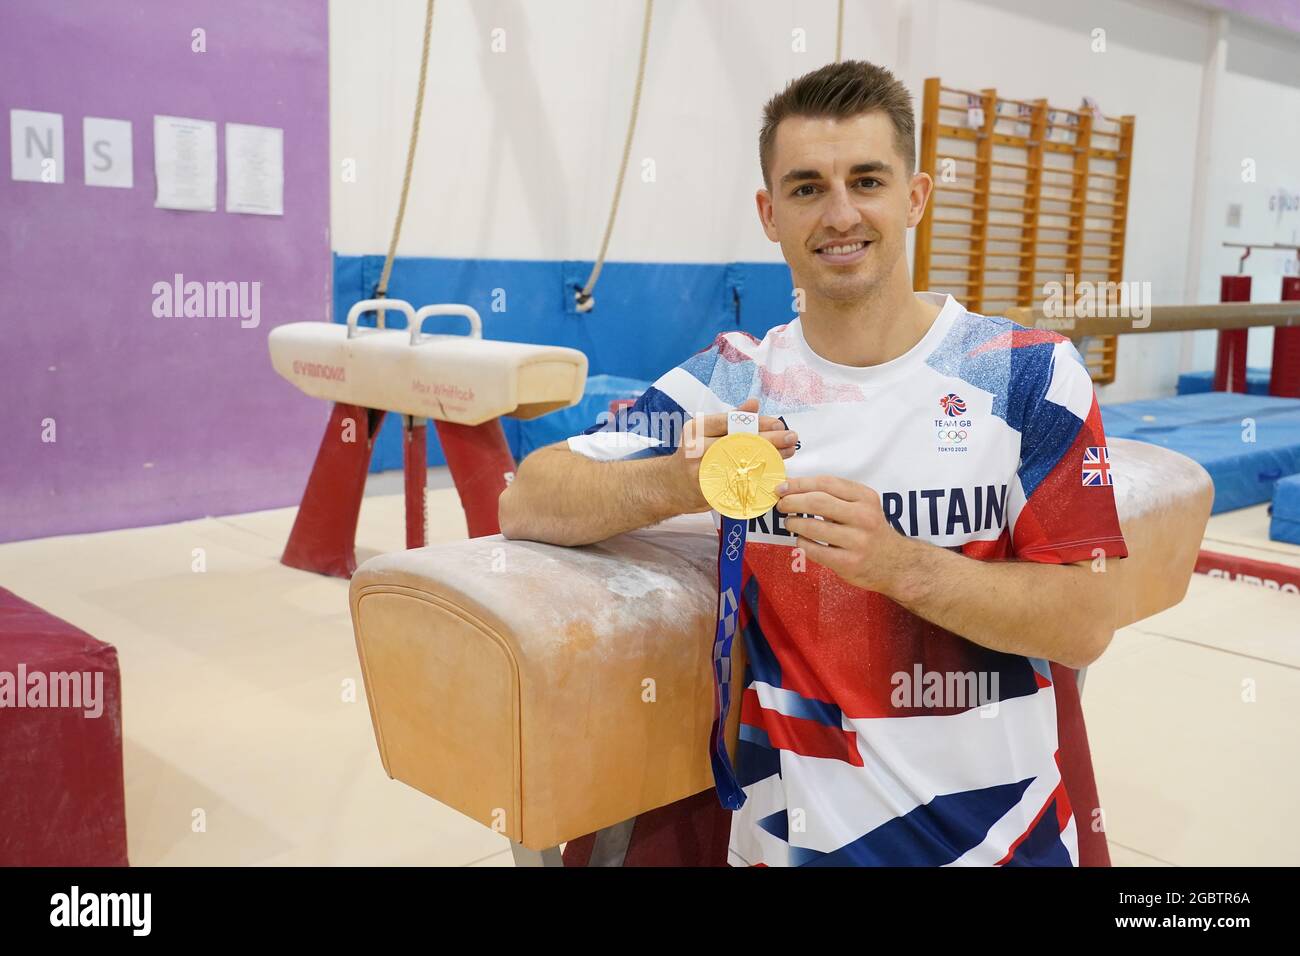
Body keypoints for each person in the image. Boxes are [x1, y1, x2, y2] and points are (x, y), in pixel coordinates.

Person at [498, 59, 1127, 867]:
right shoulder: (732, 378)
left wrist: (902, 564)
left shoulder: (1026, 373)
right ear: (769, 213)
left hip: (999, 846)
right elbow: (530, 496)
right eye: (805, 188)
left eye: (866, 180)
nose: (840, 214)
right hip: (790, 848)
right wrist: (685, 477)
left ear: (916, 196)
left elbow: (1087, 621)